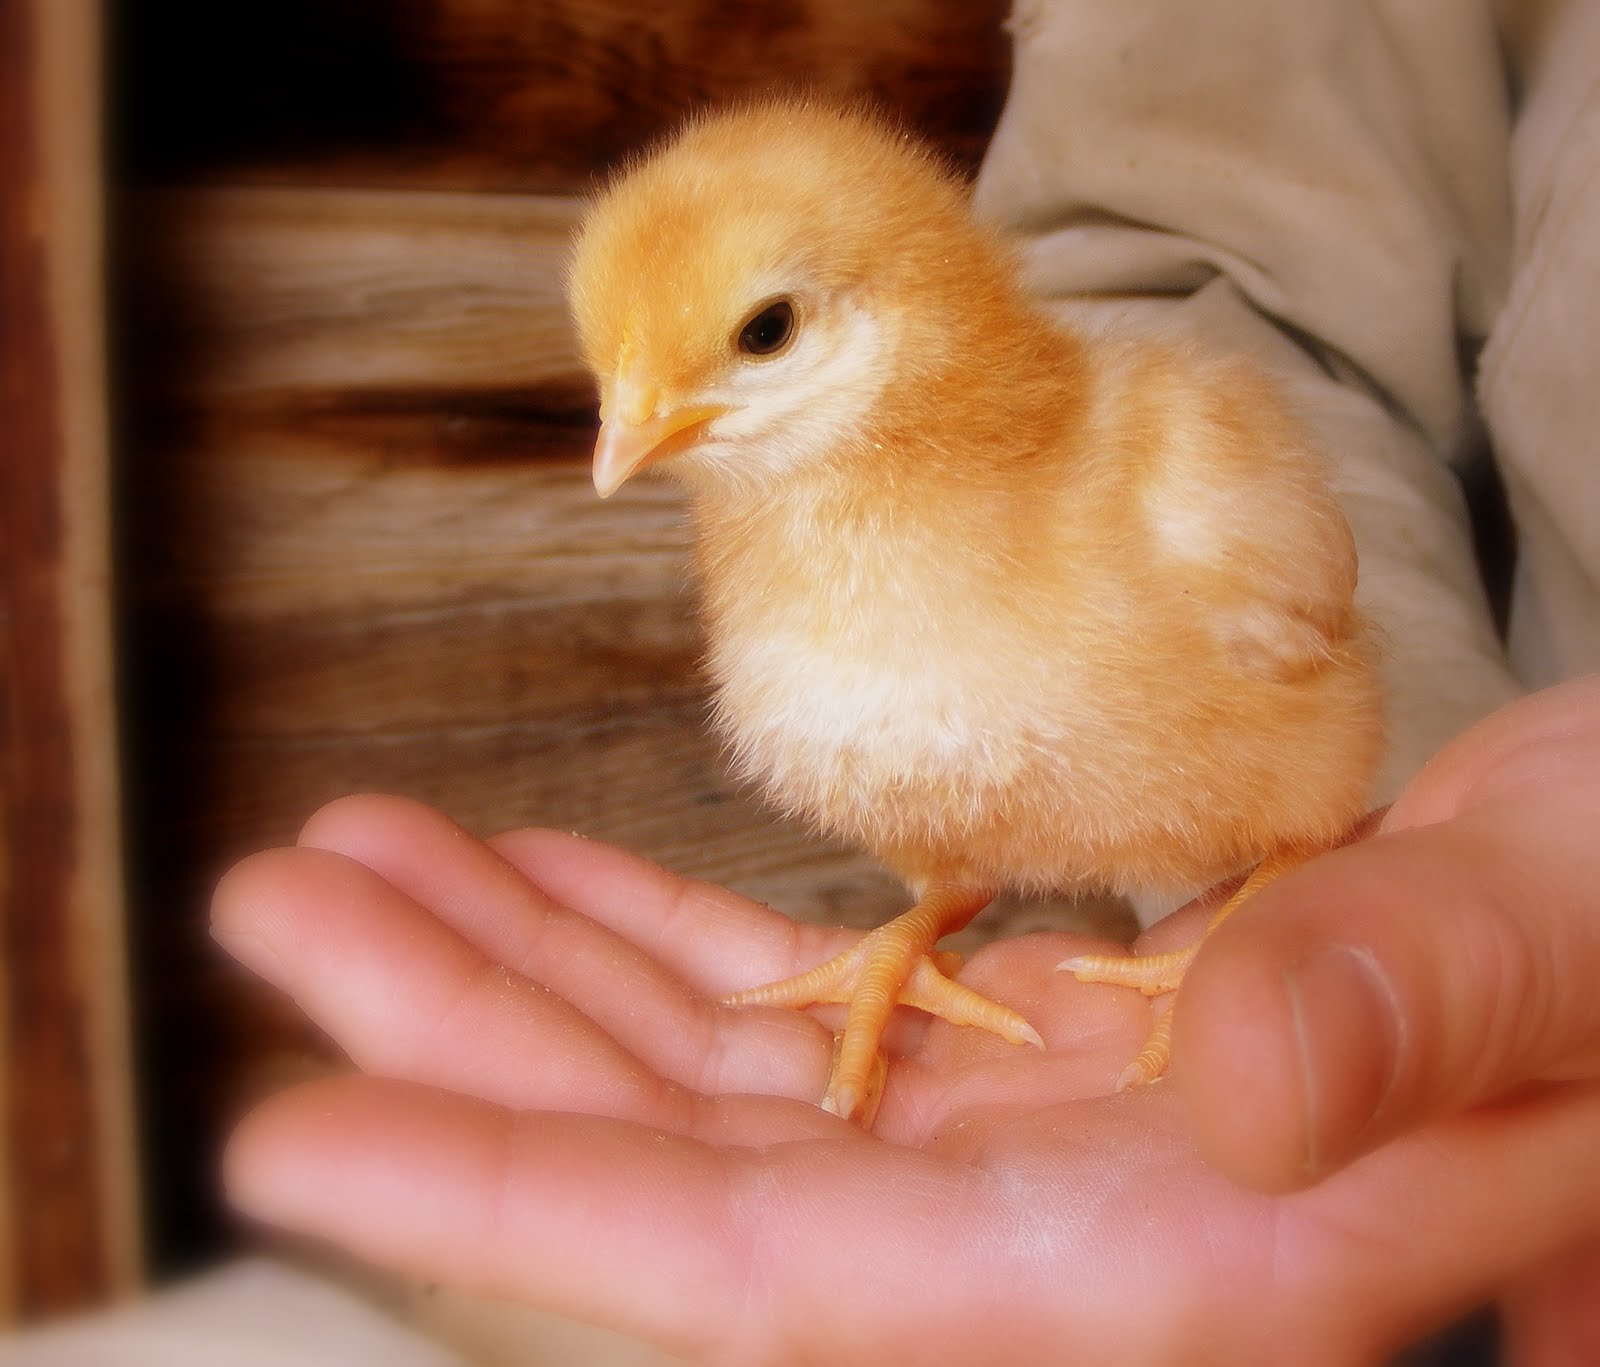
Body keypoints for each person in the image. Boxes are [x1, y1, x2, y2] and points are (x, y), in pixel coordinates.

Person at [214, 2, 1600, 1362]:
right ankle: (922, 927)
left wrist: (1354, 879)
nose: (632, 434)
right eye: (617, 383)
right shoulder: (763, 537)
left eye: (761, 339)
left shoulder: (1176, 472)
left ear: (909, 308)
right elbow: (1207, 239)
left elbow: (1325, 683)